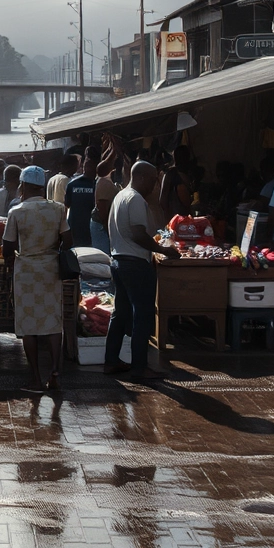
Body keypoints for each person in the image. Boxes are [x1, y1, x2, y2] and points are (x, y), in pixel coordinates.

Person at [104, 160, 179, 382]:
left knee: (121, 313)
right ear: (143, 178)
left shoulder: (120, 196)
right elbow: (137, 233)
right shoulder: (135, 199)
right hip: (134, 262)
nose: (155, 186)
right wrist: (161, 248)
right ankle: (139, 366)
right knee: (143, 314)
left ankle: (111, 361)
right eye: (154, 180)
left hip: (118, 260)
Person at [3, 165, 70, 391]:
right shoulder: (58, 209)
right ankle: (55, 372)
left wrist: (12, 261)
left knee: (28, 325)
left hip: (26, 273)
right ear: (41, 187)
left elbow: (8, 247)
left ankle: (35, 379)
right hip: (51, 270)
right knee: (53, 323)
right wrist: (53, 248)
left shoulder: (16, 212)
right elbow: (68, 240)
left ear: (23, 186)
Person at [64, 148, 99, 250]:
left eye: (91, 163)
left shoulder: (99, 185)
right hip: (75, 235)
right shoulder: (73, 184)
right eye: (86, 162)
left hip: (93, 235)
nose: (86, 165)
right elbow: (66, 206)